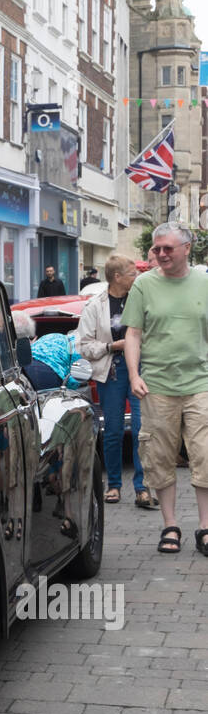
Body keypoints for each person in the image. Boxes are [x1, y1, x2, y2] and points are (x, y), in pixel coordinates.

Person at [122, 223, 208, 555]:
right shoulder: (143, 285)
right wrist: (133, 374)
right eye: (157, 249)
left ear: (187, 248)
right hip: (156, 386)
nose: (160, 254)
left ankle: (204, 526)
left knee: (205, 455)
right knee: (159, 458)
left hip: (201, 383)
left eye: (167, 249)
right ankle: (170, 525)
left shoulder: (204, 281)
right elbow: (133, 334)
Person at [77, 254, 154, 509]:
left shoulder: (140, 299)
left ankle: (142, 487)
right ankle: (113, 485)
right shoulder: (95, 305)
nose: (137, 277)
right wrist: (112, 346)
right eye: (132, 273)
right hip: (111, 371)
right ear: (117, 277)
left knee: (143, 430)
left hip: (141, 369)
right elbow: (84, 346)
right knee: (112, 431)